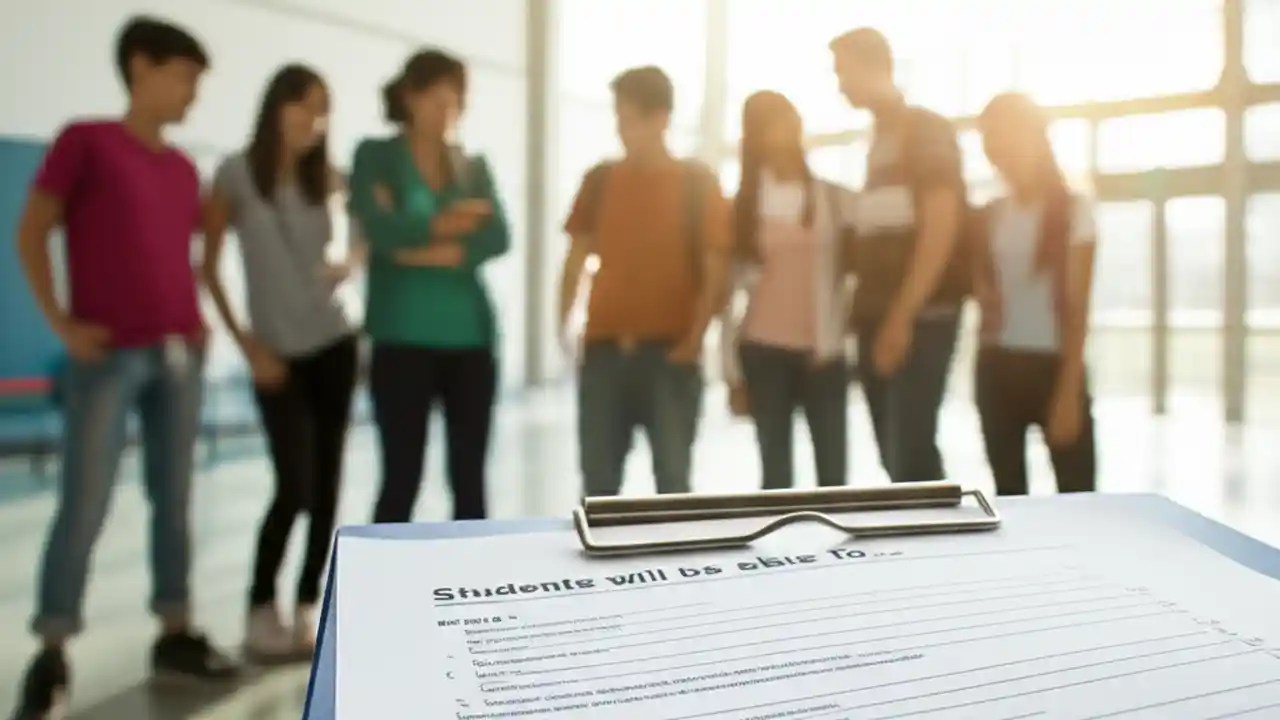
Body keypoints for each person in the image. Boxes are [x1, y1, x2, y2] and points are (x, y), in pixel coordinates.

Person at [11, 16, 238, 719]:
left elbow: (182, 259)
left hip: (178, 355)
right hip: (108, 356)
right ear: (142, 66)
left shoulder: (181, 168)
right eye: (184, 79)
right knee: (85, 500)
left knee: (174, 501)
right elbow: (32, 231)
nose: (190, 96)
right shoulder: (87, 142)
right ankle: (51, 651)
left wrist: (198, 322)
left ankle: (174, 631)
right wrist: (60, 322)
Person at [202, 65, 359, 661]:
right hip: (275, 356)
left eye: (323, 110)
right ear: (277, 106)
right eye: (304, 106)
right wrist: (247, 345)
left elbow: (360, 236)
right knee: (293, 483)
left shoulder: (330, 178)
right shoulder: (237, 175)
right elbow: (210, 267)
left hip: (335, 343)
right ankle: (260, 606)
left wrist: (354, 262)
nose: (314, 121)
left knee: (327, 487)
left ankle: (306, 602)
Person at [349, 49, 510, 524]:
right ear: (409, 96)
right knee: (400, 479)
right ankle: (383, 591)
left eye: (456, 102)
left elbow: (498, 235)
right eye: (437, 99)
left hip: (471, 341)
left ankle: (477, 592)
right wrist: (455, 222)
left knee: (470, 483)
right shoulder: (375, 157)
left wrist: (420, 243)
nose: (447, 113)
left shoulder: (472, 166)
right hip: (402, 339)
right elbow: (381, 232)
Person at [559, 66, 731, 498]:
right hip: (604, 354)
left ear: (661, 119)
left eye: (630, 118)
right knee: (598, 488)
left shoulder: (697, 184)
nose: (621, 129)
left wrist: (695, 339)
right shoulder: (600, 181)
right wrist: (563, 324)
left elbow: (717, 267)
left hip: (669, 357)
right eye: (617, 117)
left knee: (672, 484)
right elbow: (576, 258)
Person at [830, 28, 968, 484]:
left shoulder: (924, 130)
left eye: (843, 71)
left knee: (909, 456)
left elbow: (940, 223)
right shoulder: (877, 143)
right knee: (897, 457)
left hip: (919, 317)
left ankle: (939, 550)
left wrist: (901, 318)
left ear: (871, 67)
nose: (840, 85)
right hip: (879, 316)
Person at [721, 91, 855, 490]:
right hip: (763, 353)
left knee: (834, 476)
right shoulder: (744, 205)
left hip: (824, 355)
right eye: (766, 127)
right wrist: (730, 374)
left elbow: (849, 279)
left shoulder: (831, 198)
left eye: (784, 123)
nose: (777, 136)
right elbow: (728, 299)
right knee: (776, 476)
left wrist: (842, 339)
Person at [971, 93, 1097, 496]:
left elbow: (1077, 308)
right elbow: (986, 290)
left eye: (1005, 136)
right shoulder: (991, 214)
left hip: (1053, 366)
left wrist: (1068, 391)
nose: (999, 151)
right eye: (990, 140)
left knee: (1078, 498)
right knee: (1009, 499)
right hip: (997, 367)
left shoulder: (1074, 211)